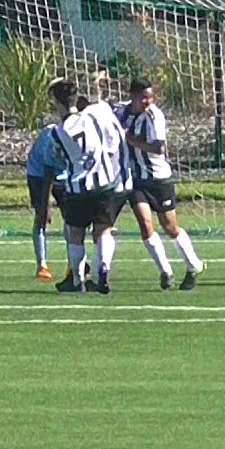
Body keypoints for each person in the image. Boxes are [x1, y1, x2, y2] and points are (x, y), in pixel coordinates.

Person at [117, 78, 205, 291]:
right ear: (133, 96)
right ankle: (165, 271)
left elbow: (159, 149)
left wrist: (132, 142)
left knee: (169, 227)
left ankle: (194, 265)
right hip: (136, 180)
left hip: (159, 179)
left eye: (150, 97)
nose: (147, 101)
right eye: (142, 97)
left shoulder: (154, 117)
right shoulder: (121, 111)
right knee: (146, 226)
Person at [47, 79, 131, 294]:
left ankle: (77, 280)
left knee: (76, 234)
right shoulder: (94, 116)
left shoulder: (57, 132)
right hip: (104, 183)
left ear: (57, 102)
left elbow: (61, 156)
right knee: (103, 231)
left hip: (78, 187)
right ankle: (102, 269)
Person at [26, 124, 67, 282]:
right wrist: (45, 203)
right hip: (38, 172)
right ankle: (42, 265)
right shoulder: (52, 139)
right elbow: (47, 174)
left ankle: (74, 264)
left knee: (72, 218)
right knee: (41, 216)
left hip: (64, 174)